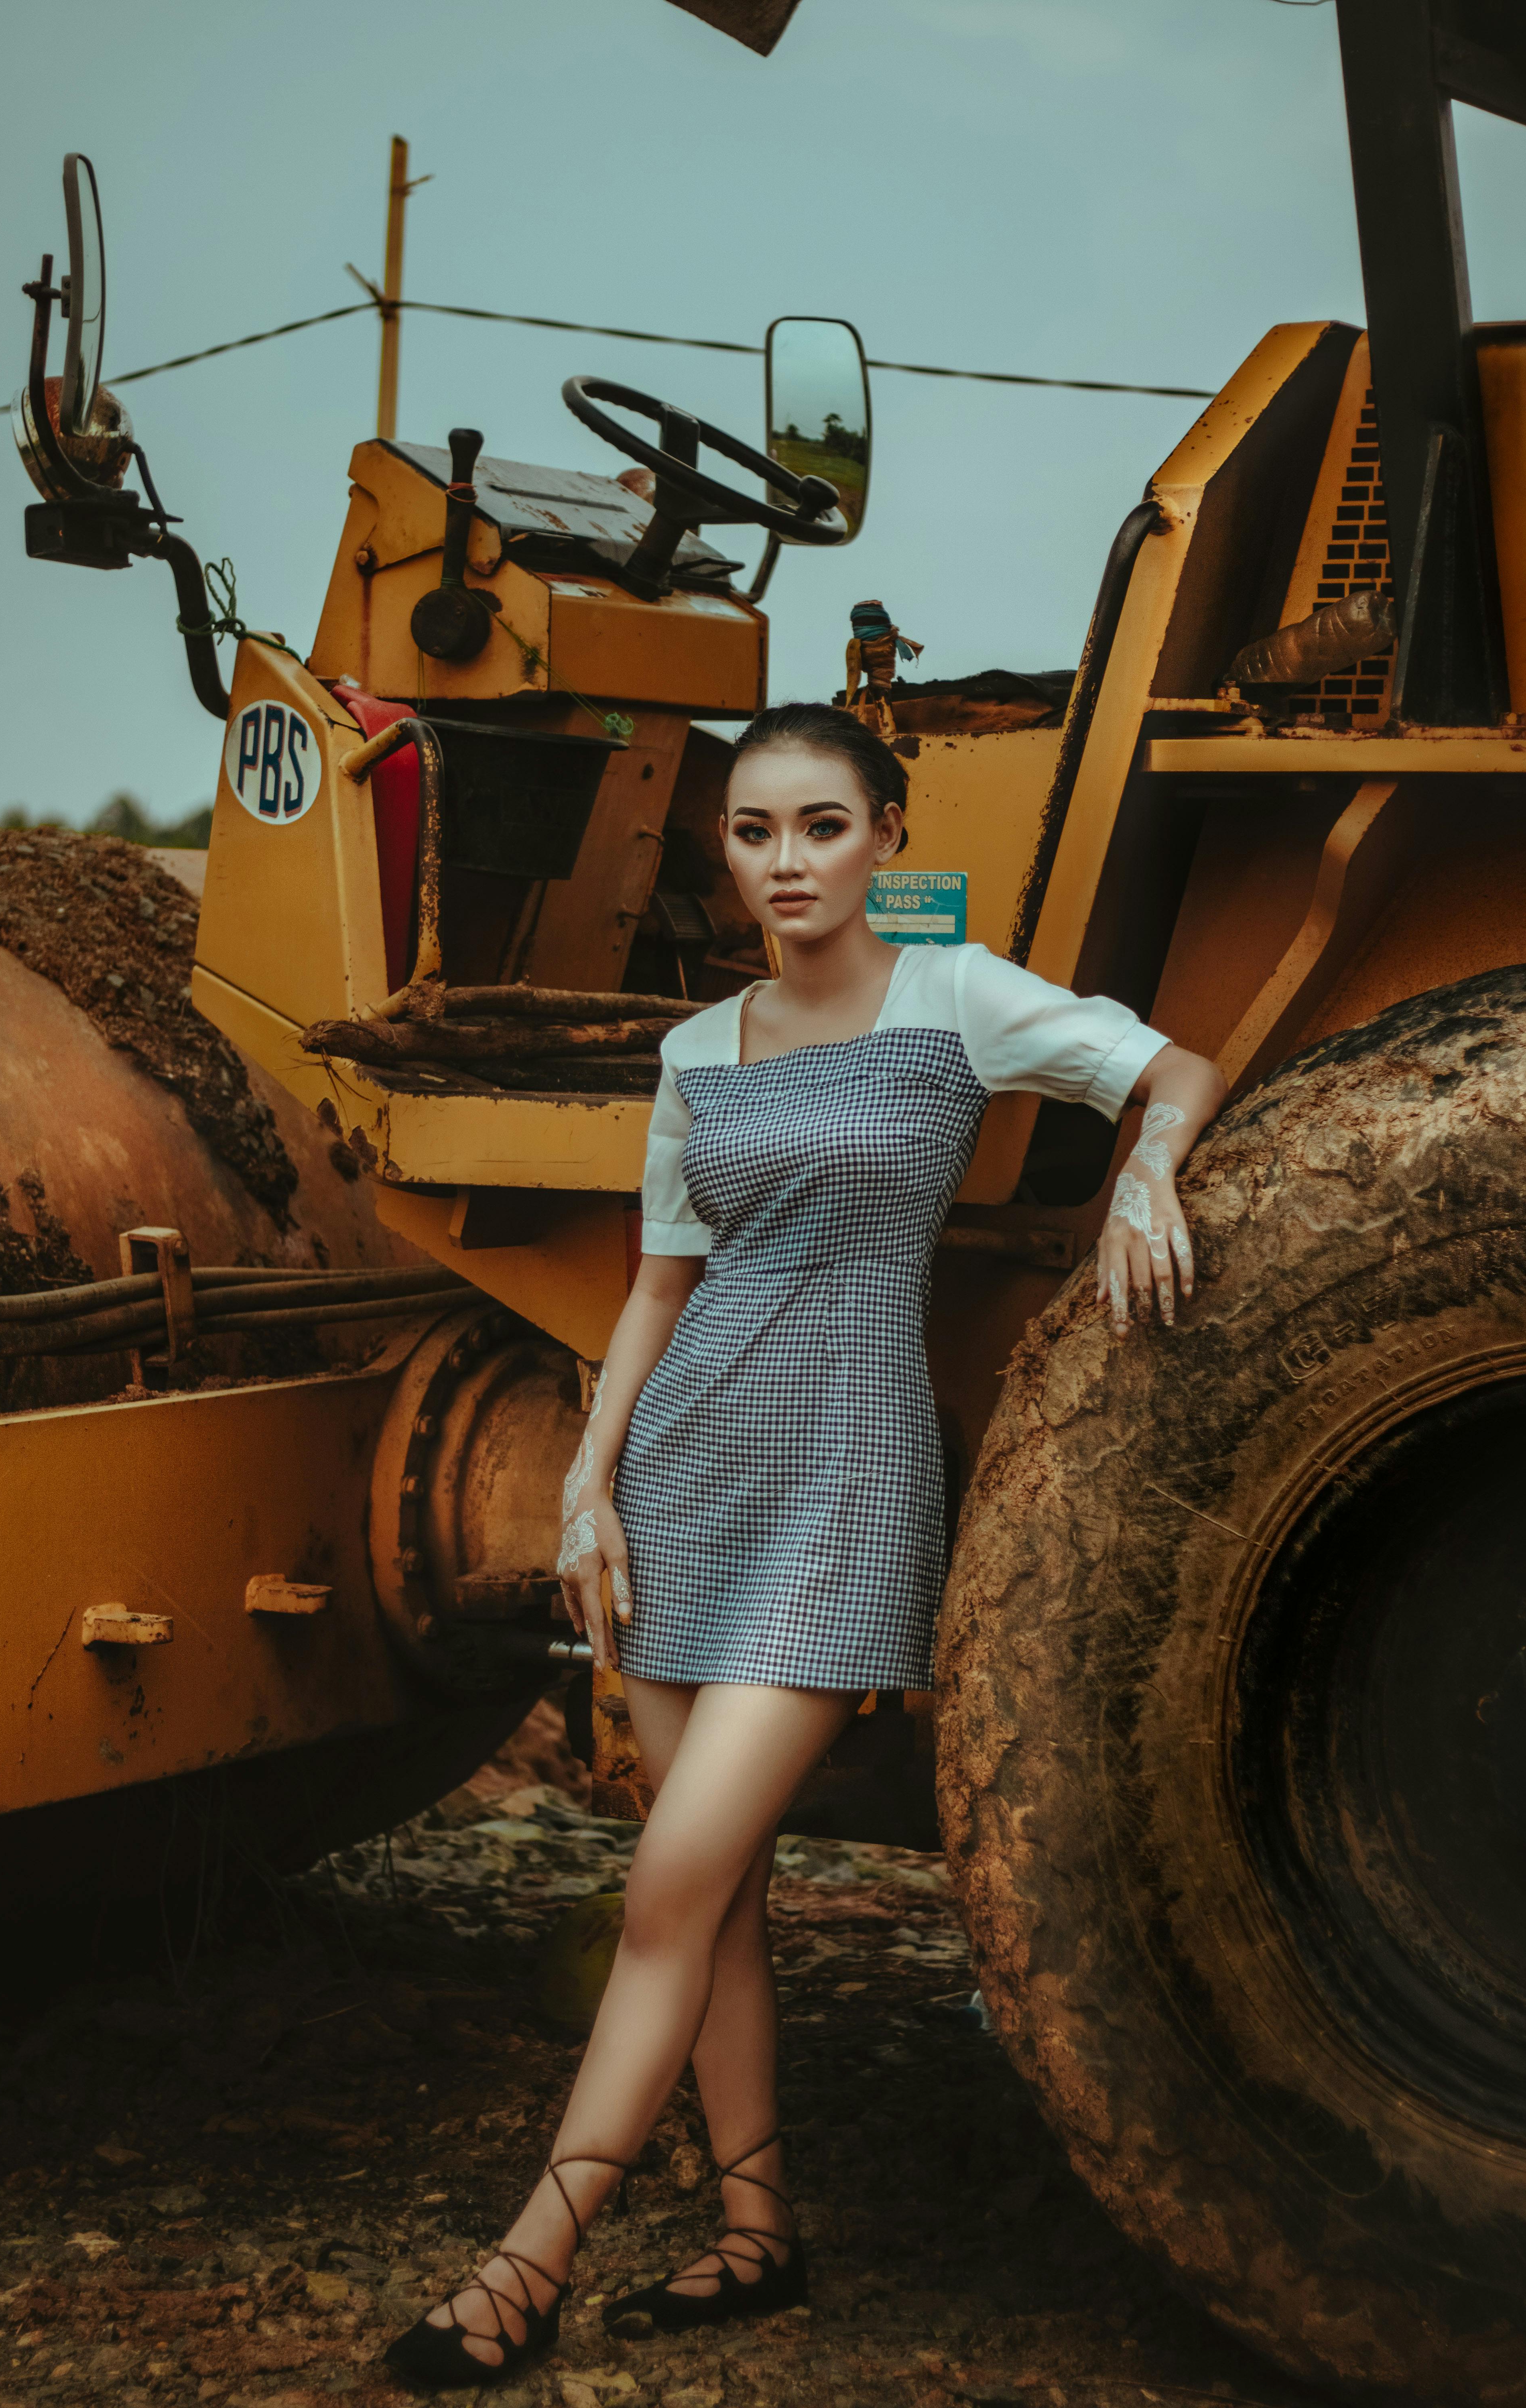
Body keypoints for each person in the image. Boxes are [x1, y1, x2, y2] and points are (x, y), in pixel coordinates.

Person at [385, 700, 1227, 2388]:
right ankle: (757, 2233)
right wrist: (587, 1486)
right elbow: (655, 1290)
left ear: (885, 833)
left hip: (848, 1482)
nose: (786, 861)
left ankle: (530, 2260)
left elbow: (1175, 1069)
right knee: (727, 1900)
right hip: (691, 1470)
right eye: (755, 831)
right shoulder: (700, 1050)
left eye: (821, 827)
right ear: (728, 851)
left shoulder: (955, 996)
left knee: (663, 1890)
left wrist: (1149, 1178)